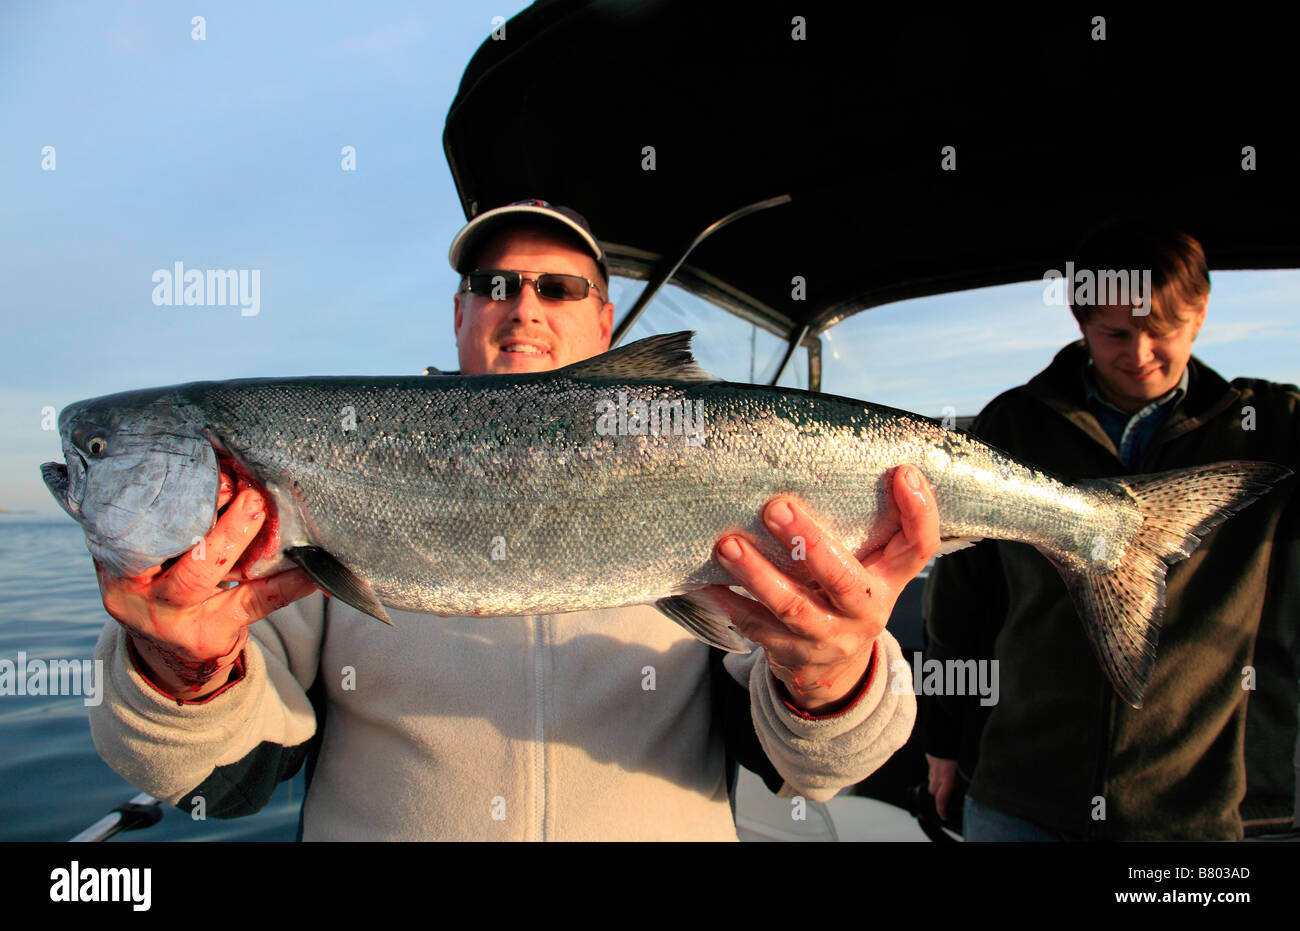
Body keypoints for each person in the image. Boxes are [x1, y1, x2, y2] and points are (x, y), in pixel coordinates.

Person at [87, 199, 941, 840]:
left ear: (606, 321)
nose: (523, 305)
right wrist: (177, 673)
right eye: (493, 285)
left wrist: (832, 678)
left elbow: (810, 769)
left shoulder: (724, 479)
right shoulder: (303, 498)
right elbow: (226, 783)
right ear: (459, 313)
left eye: (558, 286)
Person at [921, 220, 1300, 841]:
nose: (1141, 353)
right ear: (1080, 323)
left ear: (1200, 313)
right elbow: (964, 600)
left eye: (1163, 330)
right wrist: (941, 740)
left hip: (1190, 816)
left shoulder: (1272, 428)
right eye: (1116, 334)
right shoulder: (1013, 424)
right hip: (1019, 794)